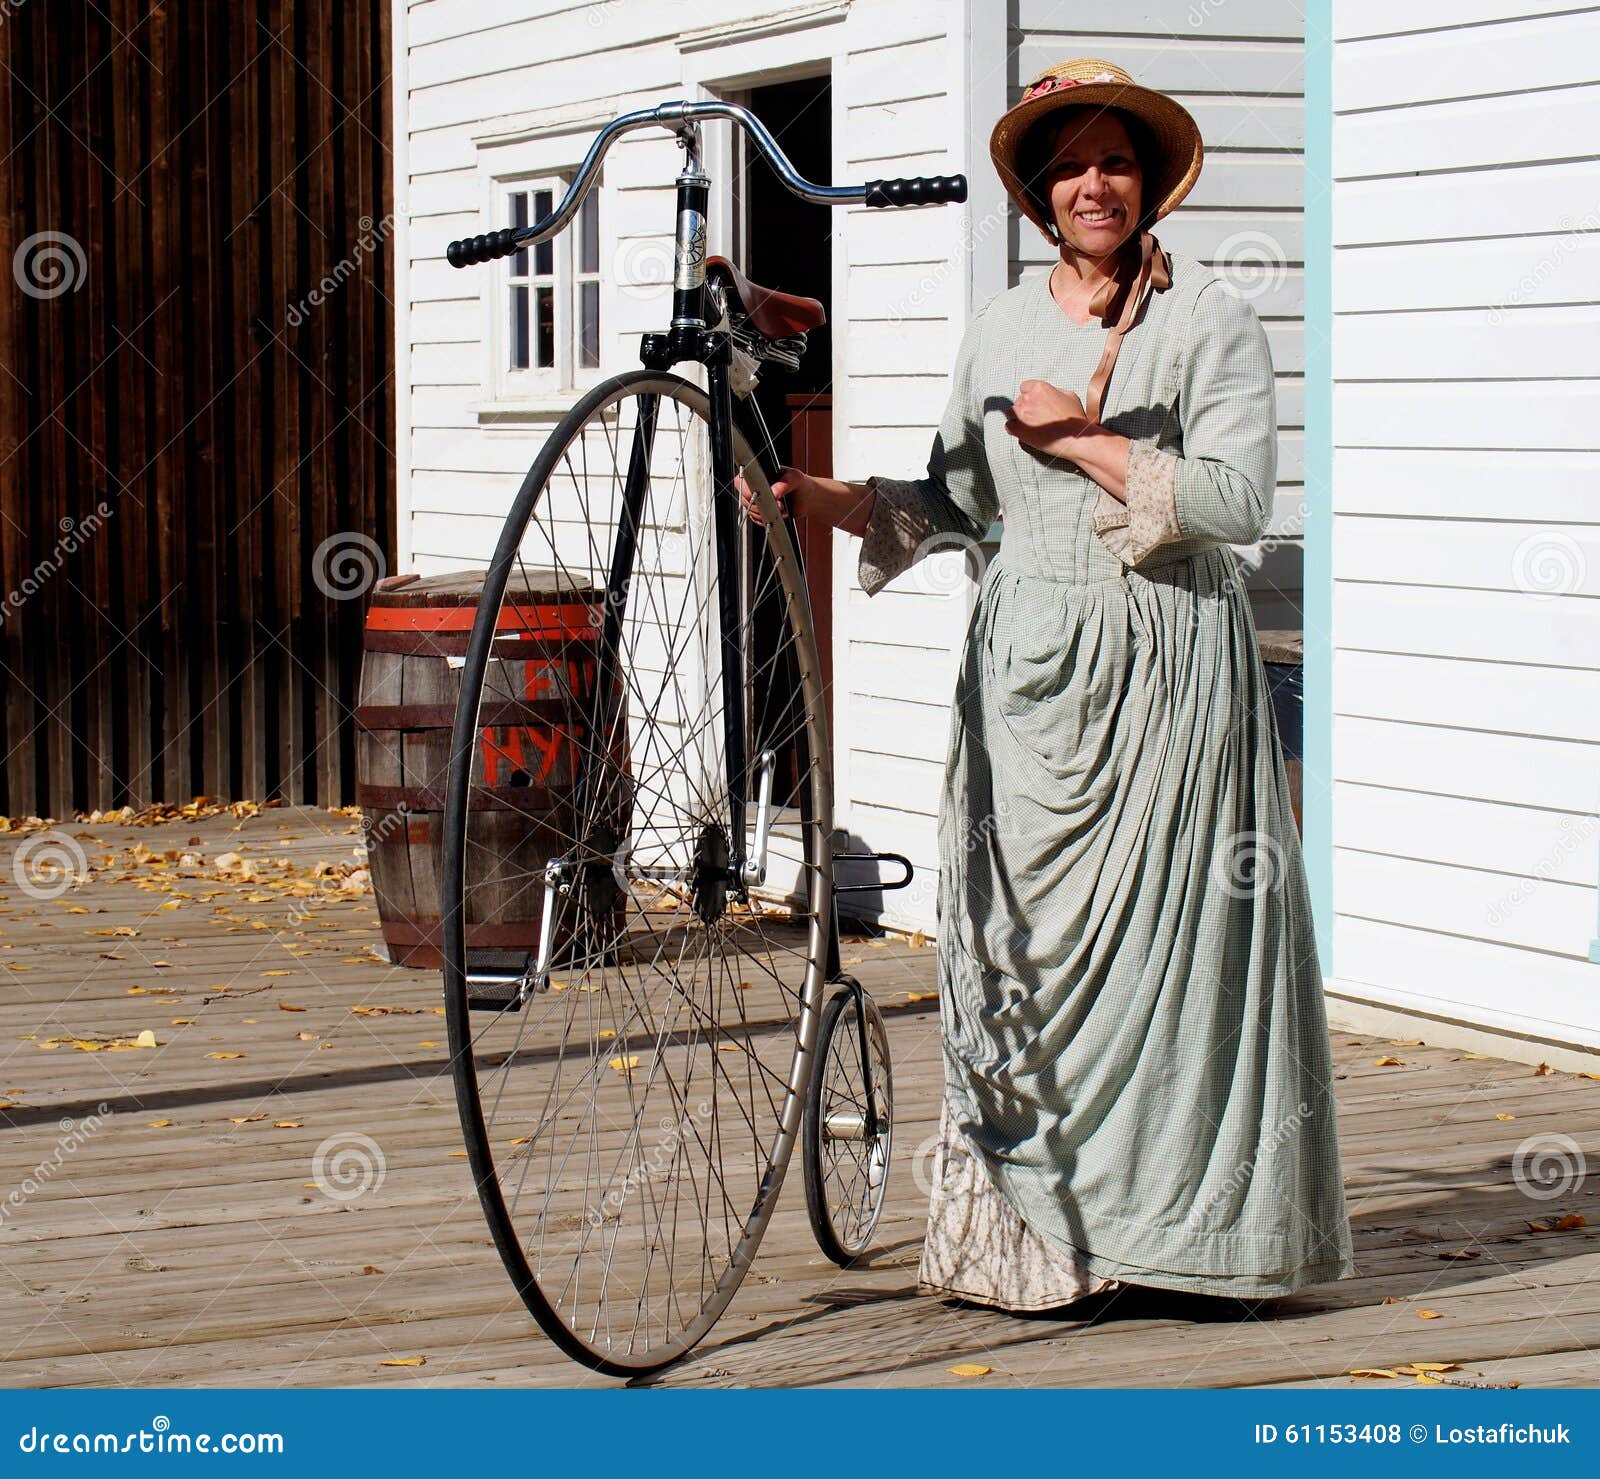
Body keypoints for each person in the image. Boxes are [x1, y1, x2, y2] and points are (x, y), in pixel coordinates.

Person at [742, 58, 1356, 1310]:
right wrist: (832, 501)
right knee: (1014, 949)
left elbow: (1235, 505)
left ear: (1149, 182)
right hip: (1024, 677)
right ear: (1036, 189)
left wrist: (1077, 437)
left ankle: (1177, 1244)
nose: (1093, 184)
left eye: (1115, 162)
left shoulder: (1208, 323)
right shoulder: (999, 327)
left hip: (1167, 677)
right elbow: (958, 505)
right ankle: (1035, 1242)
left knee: (1169, 966)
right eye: (1068, 164)